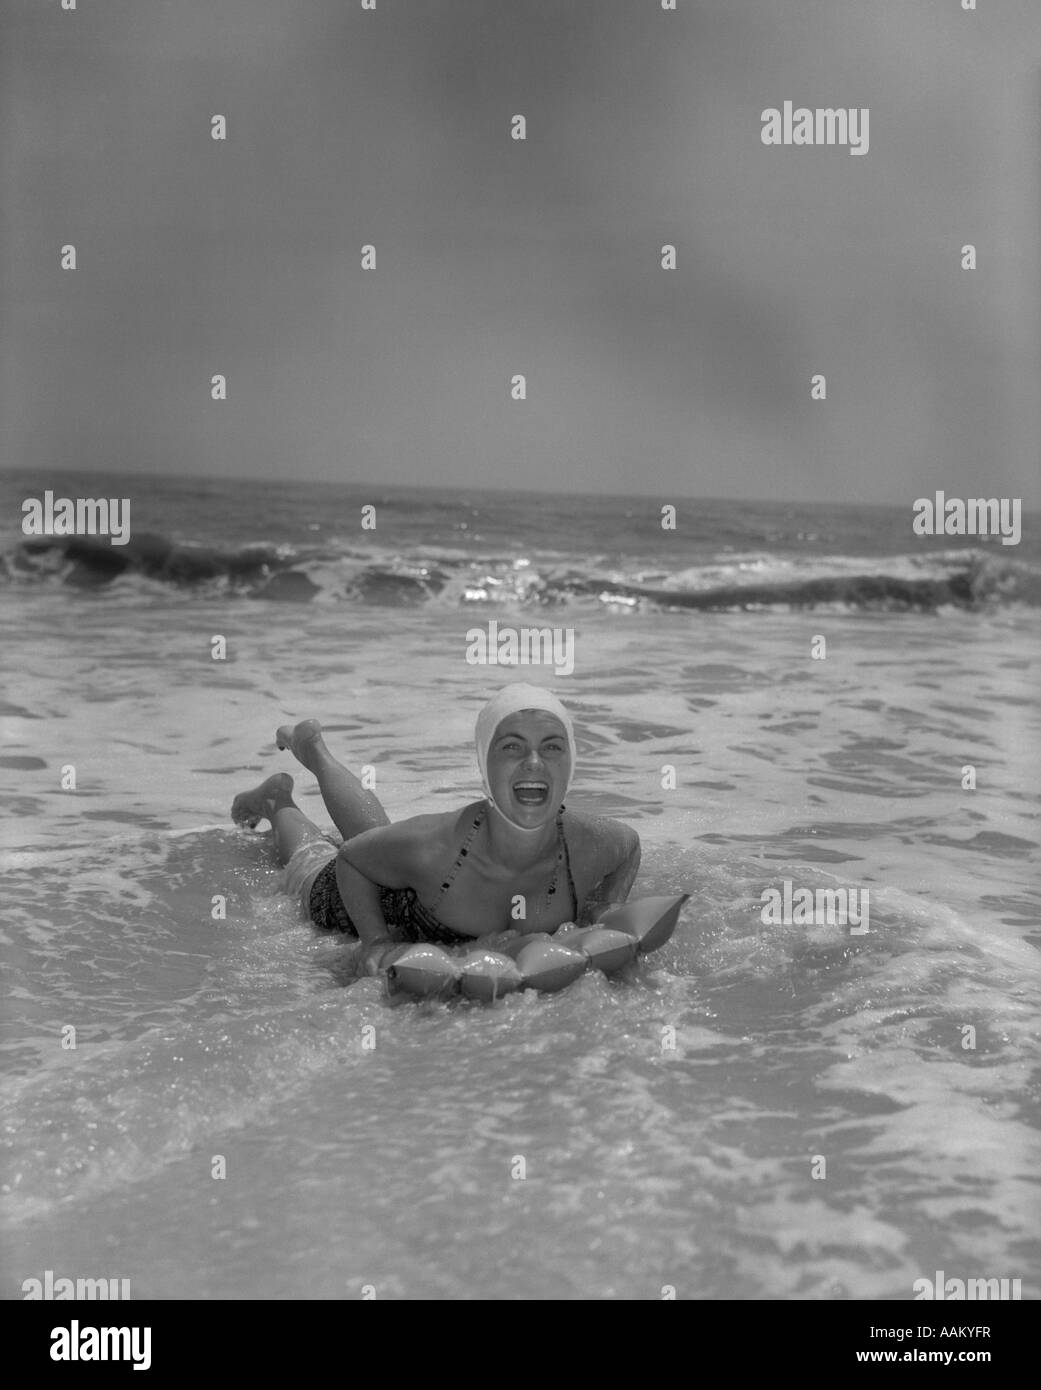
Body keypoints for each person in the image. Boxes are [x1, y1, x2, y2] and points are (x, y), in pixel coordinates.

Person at [231, 683, 641, 975]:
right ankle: (276, 801)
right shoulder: (439, 844)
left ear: (571, 763)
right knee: (312, 859)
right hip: (355, 889)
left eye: (552, 746)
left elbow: (630, 848)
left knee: (385, 841)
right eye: (512, 746)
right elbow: (353, 859)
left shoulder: (593, 842)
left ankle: (314, 749)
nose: (534, 762)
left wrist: (603, 908)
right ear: (483, 764)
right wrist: (375, 940)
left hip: (410, 870)